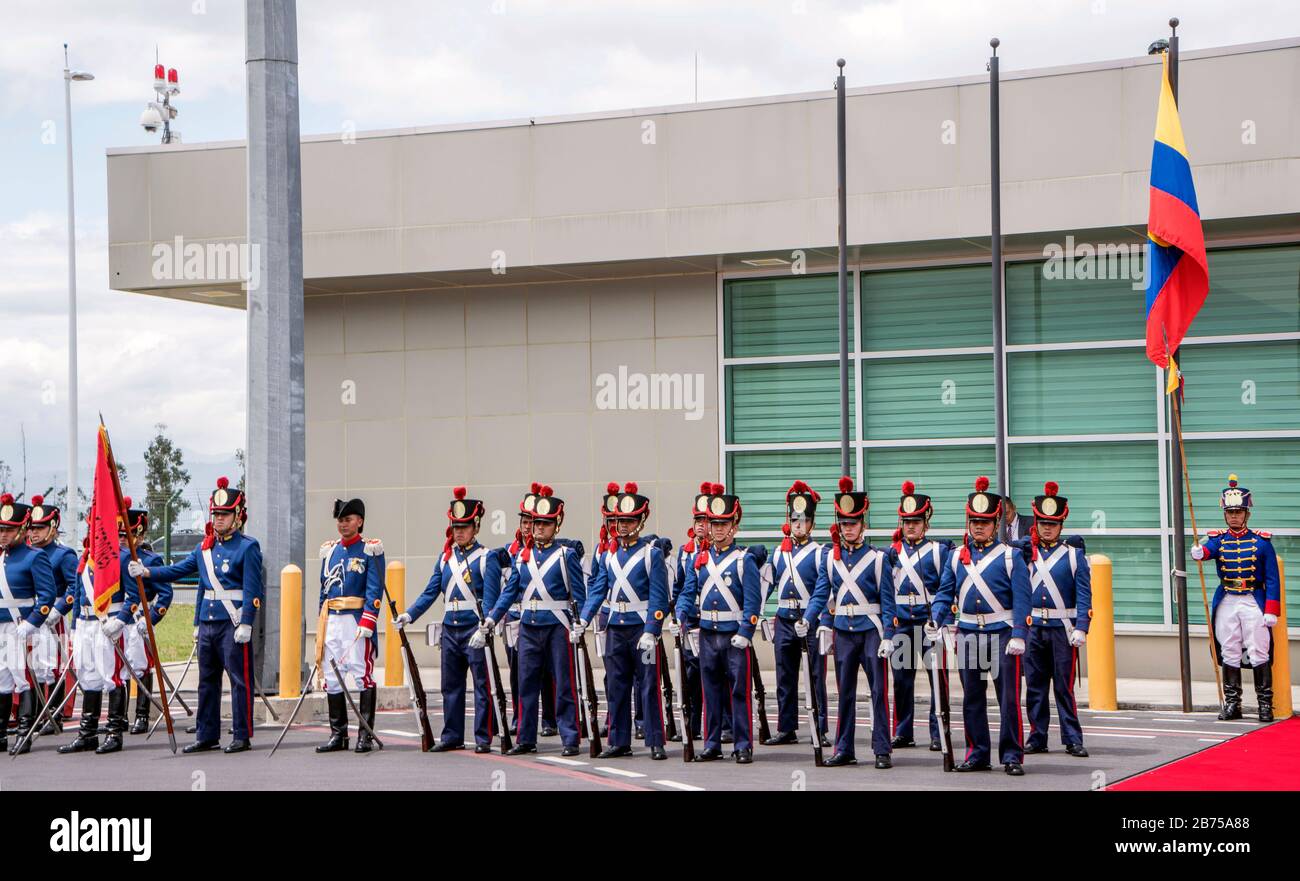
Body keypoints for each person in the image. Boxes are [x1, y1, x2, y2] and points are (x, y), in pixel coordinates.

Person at [132, 477, 263, 753]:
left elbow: (254, 589)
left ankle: (242, 734)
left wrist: (247, 622)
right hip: (208, 623)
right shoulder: (204, 549)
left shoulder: (247, 547)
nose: (218, 520)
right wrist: (147, 572)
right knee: (207, 680)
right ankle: (207, 734)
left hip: (232, 622)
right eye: (215, 514)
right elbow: (177, 570)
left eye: (224, 514)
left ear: (238, 516)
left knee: (239, 681)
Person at [929, 476, 1031, 775]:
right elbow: (945, 593)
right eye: (974, 521)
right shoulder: (955, 558)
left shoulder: (1011, 557)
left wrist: (1019, 634)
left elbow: (1022, 600)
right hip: (969, 632)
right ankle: (978, 753)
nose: (978, 526)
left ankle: (1012, 755)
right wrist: (937, 618)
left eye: (984, 522)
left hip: (1001, 633)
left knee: (1008, 699)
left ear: (996, 522)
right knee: (972, 698)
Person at [394, 487, 502, 753]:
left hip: (474, 628)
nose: (459, 532)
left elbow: (491, 597)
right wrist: (409, 614)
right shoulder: (445, 559)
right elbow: (431, 592)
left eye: (464, 527)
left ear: (475, 527)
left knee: (481, 687)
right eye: (456, 527)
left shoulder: (486, 558)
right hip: (450, 629)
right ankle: (452, 735)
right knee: (450, 687)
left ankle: (483, 737)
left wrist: (487, 625)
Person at [481, 486, 585, 756]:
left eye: (545, 523)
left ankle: (570, 737)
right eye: (536, 523)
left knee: (564, 684)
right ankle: (526, 738)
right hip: (528, 626)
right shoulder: (522, 557)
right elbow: (510, 592)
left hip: (557, 627)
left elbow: (579, 594)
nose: (538, 528)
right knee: (525, 684)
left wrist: (580, 623)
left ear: (556, 525)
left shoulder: (566, 555)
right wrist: (492, 619)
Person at [803, 477, 895, 769]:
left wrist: (889, 636)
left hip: (871, 632)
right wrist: (808, 619)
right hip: (843, 631)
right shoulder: (831, 559)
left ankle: (882, 749)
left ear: (862, 525)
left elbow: (888, 601)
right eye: (844, 524)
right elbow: (821, 593)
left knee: (879, 692)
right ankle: (845, 748)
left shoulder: (878, 559)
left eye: (853, 523)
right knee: (845, 693)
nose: (848, 528)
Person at [671, 484, 761, 763]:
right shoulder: (701, 560)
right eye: (714, 524)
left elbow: (753, 602)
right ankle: (711, 743)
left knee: (739, 692)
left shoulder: (745, 560)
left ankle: (743, 744)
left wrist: (746, 631)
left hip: (734, 635)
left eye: (724, 524)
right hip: (707, 634)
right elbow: (687, 593)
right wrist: (680, 617)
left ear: (734, 525)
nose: (718, 529)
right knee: (709, 691)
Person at [579, 483, 669, 759]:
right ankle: (619, 741)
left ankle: (655, 741)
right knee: (616, 686)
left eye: (629, 521)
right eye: (619, 520)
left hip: (641, 628)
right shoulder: (607, 554)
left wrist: (652, 630)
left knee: (648, 685)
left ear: (640, 521)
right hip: (616, 628)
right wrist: (583, 619)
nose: (623, 526)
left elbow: (659, 597)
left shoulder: (651, 553)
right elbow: (597, 590)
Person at [1191, 474, 1281, 722]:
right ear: (1225, 514)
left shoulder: (1261, 542)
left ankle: (1265, 705)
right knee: (1229, 649)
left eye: (1239, 512)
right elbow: (1208, 551)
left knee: (1259, 649)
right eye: (1230, 512)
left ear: (1246, 514)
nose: (1234, 516)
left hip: (1253, 599)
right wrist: (1199, 552)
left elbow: (1273, 578)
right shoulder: (1219, 539)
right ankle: (1233, 704)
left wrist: (1272, 608)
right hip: (1228, 600)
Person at [1018, 481, 1091, 757]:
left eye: (1053, 523)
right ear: (1035, 523)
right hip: (1033, 628)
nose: (1047, 528)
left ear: (1061, 525)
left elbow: (1084, 595)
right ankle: (1037, 736)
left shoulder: (1074, 556)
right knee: (1034, 687)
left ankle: (1072, 738)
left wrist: (1082, 627)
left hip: (1063, 629)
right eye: (1043, 523)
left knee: (1064, 688)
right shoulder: (1025, 553)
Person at [315, 498, 385, 753]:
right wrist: (320, 622)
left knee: (361, 675)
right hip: (332, 619)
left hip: (356, 620)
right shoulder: (330, 551)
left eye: (348, 520)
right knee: (332, 677)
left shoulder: (370, 550)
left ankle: (364, 735)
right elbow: (323, 591)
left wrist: (369, 619)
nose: (343, 525)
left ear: (360, 521)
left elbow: (375, 587)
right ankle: (338, 734)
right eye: (340, 520)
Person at [886, 480, 952, 752]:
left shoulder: (939, 551)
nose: (910, 526)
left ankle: (939, 730)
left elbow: (948, 590)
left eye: (915, 521)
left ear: (926, 522)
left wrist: (943, 622)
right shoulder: (891, 553)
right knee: (901, 680)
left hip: (929, 624)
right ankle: (903, 731)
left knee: (938, 678)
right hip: (901, 623)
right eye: (906, 521)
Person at [763, 480, 830, 747]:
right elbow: (766, 585)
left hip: (810, 621)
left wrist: (817, 620)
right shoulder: (778, 552)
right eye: (794, 520)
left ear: (812, 523)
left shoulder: (820, 553)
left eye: (803, 520)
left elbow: (825, 592)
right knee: (784, 676)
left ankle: (820, 727)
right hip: (784, 620)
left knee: (815, 678)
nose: (798, 525)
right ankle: (786, 727)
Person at [0, 494, 57, 754]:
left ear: (22, 529)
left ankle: (25, 731)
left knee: (23, 678)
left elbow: (46, 596)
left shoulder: (35, 557)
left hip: (20, 625)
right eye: (1, 530)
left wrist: (32, 623)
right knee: (1, 680)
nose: (3, 534)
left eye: (9, 530)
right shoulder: (1, 558)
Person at [501, 484, 560, 738]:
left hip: (543, 616)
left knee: (547, 672)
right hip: (515, 616)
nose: (528, 526)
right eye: (525, 521)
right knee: (519, 674)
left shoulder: (554, 549)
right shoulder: (510, 551)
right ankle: (520, 717)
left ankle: (549, 718)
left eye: (531, 521)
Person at [118, 498, 171, 736]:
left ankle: (141, 715)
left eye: (125, 534)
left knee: (139, 667)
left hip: (138, 618)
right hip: (117, 619)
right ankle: (118, 717)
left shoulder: (150, 560)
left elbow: (165, 595)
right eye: (119, 535)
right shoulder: (111, 560)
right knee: (117, 670)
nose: (121, 539)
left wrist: (148, 620)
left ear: (138, 534)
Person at [26, 495, 77, 735]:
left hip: (53, 618)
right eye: (32, 528)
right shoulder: (26, 553)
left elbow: (74, 588)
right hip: (29, 616)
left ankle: (52, 714)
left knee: (51, 667)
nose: (34, 533)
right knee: (30, 666)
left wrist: (59, 610)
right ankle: (33, 714)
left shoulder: (63, 555)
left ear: (53, 528)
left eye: (40, 528)